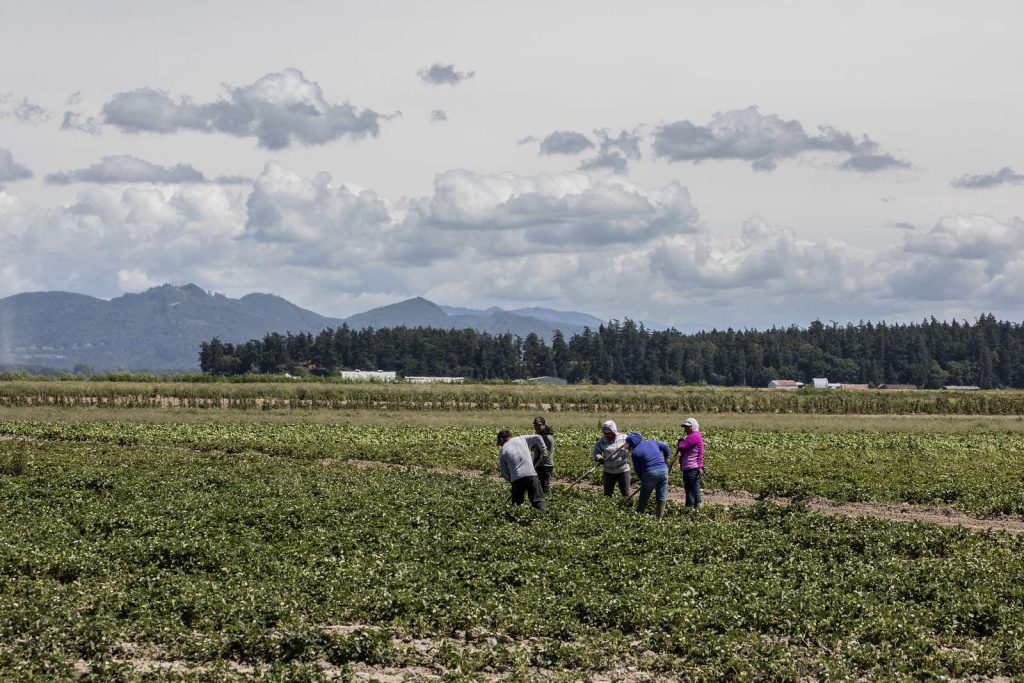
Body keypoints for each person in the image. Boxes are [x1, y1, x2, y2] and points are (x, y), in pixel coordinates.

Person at [624, 432, 672, 519]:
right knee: (661, 495)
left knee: (644, 496)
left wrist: (643, 480)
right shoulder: (652, 442)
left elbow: (637, 470)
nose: (628, 447)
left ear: (632, 444)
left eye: (629, 445)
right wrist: (667, 458)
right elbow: (665, 447)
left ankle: (638, 516)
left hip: (650, 473)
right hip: (663, 470)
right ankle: (659, 519)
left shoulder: (635, 452)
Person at [496, 429, 547, 510]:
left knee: (517, 505)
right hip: (531, 474)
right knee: (538, 501)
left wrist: (512, 480)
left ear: (501, 439)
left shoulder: (503, 450)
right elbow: (538, 437)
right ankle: (542, 514)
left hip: (516, 478)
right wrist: (544, 450)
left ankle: (516, 516)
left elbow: (504, 472)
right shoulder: (522, 439)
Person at [592, 419, 630, 497]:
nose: (607, 435)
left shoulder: (624, 437)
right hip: (608, 472)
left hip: (622, 470)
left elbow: (634, 445)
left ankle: (627, 504)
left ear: (614, 431)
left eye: (609, 433)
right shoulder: (601, 441)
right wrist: (599, 458)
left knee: (626, 493)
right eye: (605, 433)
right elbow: (596, 453)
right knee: (607, 494)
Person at [676, 417, 705, 509]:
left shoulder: (694, 436)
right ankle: (697, 506)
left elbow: (683, 447)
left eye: (688, 427)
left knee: (689, 489)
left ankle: (690, 507)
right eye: (685, 427)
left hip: (691, 467)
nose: (685, 429)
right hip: (693, 467)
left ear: (693, 427)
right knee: (694, 487)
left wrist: (680, 442)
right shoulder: (695, 436)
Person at [532, 416, 555, 494]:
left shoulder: (547, 437)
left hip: (545, 466)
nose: (537, 427)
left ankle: (548, 499)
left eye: (539, 425)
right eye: (535, 425)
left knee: (544, 486)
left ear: (544, 425)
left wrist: (535, 464)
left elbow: (545, 454)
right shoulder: (539, 436)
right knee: (538, 486)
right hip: (540, 464)